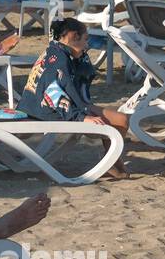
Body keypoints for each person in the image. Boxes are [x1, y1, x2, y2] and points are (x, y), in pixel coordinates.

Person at [18, 17, 129, 176]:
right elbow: (53, 93)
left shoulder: (57, 52)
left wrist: (83, 109)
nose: (87, 44)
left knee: (121, 120)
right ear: (73, 36)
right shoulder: (58, 58)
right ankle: (111, 162)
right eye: (85, 39)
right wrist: (80, 117)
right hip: (45, 111)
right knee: (118, 122)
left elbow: (71, 86)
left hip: (53, 106)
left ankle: (110, 160)